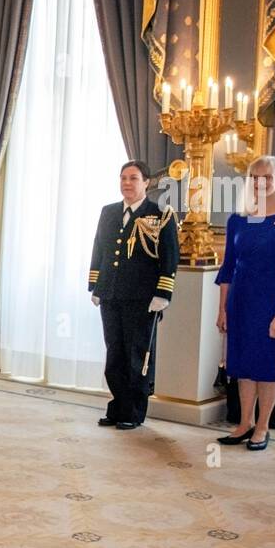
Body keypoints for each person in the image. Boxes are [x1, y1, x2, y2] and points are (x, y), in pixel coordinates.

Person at [214, 155, 275, 451]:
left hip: (273, 301)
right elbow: (228, 267)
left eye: (267, 177)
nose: (261, 182)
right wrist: (222, 309)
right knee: (242, 366)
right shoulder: (239, 218)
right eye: (255, 177)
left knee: (267, 367)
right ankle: (244, 423)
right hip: (240, 300)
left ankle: (263, 427)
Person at [88, 160, 180, 429]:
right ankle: (117, 407)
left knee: (137, 357)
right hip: (111, 294)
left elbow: (169, 257)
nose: (127, 183)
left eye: (133, 178)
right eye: (123, 178)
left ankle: (133, 413)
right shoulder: (109, 212)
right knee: (114, 354)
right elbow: (99, 250)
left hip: (143, 299)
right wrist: (96, 284)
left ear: (146, 183)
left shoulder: (160, 213)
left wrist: (163, 293)